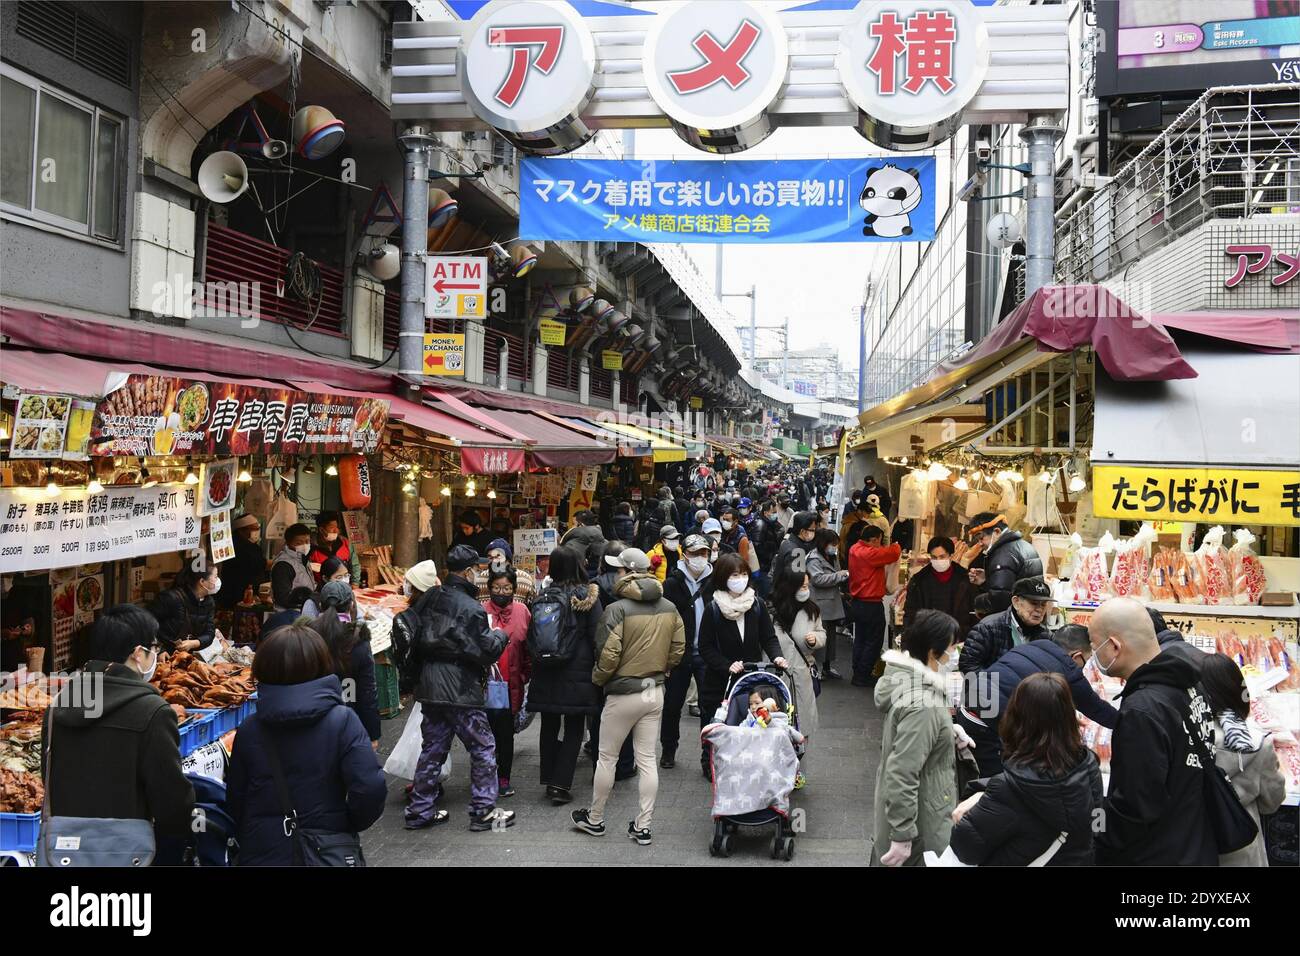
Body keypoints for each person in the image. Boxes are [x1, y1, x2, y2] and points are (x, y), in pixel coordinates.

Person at [226, 624, 386, 864]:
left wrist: (255, 836)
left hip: (263, 853)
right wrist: (345, 824)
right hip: (325, 850)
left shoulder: (251, 729)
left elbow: (236, 799)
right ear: (322, 663)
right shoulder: (342, 721)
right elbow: (370, 788)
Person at [43, 605, 196, 847]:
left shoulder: (60, 705)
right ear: (138, 653)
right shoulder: (153, 712)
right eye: (154, 648)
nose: (156, 654)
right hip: (126, 851)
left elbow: (49, 779)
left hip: (66, 850)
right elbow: (172, 801)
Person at [1089, 597, 1216, 865]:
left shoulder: (1142, 710)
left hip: (1157, 855)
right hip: (1194, 843)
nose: (1093, 655)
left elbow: (1135, 806)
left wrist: (1097, 833)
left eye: (1094, 645)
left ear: (1113, 646)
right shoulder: (1189, 684)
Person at [572, 548, 684, 845]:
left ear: (626, 572)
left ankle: (595, 819)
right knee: (647, 758)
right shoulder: (670, 607)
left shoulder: (617, 609)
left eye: (618, 569)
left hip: (623, 691)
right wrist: (664, 669)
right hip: (654, 690)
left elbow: (608, 655)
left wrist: (598, 679)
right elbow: (677, 649)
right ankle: (643, 825)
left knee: (606, 758)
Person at [402, 545, 513, 831]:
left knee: (433, 749)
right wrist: (501, 636)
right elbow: (485, 650)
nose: (478, 573)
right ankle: (483, 811)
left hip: (429, 684)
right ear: (467, 572)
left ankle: (420, 809)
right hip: (460, 687)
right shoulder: (471, 607)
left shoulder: (429, 598)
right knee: (482, 746)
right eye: (476, 569)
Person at [948, 672, 1104, 866]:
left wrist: (972, 807)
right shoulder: (1089, 766)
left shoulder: (1009, 790)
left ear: (1016, 718)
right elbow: (1098, 826)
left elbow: (965, 848)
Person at [959, 623, 1118, 776]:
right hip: (988, 725)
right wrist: (1125, 720)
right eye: (1087, 659)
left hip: (967, 708)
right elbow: (1096, 709)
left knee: (974, 774)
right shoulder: (1069, 670)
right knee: (991, 784)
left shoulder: (1035, 646)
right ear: (1076, 656)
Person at [872, 610, 959, 867]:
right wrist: (902, 835)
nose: (955, 653)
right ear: (933, 652)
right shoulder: (924, 703)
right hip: (923, 822)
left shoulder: (911, 684)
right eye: (953, 647)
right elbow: (902, 772)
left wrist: (947, 731)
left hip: (923, 811)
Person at [697, 553, 789, 778]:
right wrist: (726, 665)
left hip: (750, 678)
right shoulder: (714, 608)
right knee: (717, 722)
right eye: (735, 575)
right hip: (719, 680)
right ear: (723, 578)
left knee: (746, 722)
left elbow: (768, 637)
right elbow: (705, 647)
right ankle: (710, 762)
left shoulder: (756, 605)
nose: (740, 579)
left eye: (744, 574)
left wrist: (776, 657)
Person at [527, 546, 604, 805]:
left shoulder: (544, 595)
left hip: (546, 668)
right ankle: (560, 784)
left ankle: (549, 776)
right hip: (578, 670)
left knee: (549, 723)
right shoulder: (587, 595)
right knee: (574, 726)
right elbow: (598, 634)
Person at [1200, 653, 1286, 866]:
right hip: (1241, 847)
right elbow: (1271, 802)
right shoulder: (1258, 742)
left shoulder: (1185, 735)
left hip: (1193, 844)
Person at [660, 533, 714, 770]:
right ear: (685, 555)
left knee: (708, 707)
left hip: (707, 653)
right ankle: (668, 749)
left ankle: (707, 754)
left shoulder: (714, 581)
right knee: (672, 706)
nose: (700, 558)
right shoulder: (672, 583)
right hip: (679, 653)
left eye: (704, 553)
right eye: (695, 554)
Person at [769, 567, 824, 786]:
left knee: (803, 723)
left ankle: (796, 768)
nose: (806, 590)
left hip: (802, 674)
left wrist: (816, 640)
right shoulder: (772, 611)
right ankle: (776, 767)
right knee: (776, 720)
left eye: (807, 585)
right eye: (802, 586)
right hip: (777, 676)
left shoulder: (812, 611)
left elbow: (822, 634)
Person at [310, 580, 380, 748]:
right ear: (351, 605)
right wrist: (372, 734)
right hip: (349, 721)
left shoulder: (309, 636)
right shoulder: (358, 641)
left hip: (313, 720)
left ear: (320, 605)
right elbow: (367, 692)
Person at [483, 566, 532, 799]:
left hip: (513, 684)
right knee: (486, 734)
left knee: (505, 735)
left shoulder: (523, 611)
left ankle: (504, 777)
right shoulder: (481, 612)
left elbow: (528, 648)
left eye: (506, 588)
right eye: (496, 588)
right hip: (486, 685)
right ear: (489, 588)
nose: (501, 592)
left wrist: (524, 676)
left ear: (514, 589)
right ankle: (486, 776)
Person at [958, 575, 1053, 675]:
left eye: (1043, 604)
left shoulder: (1046, 636)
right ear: (1016, 602)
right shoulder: (988, 628)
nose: (1039, 609)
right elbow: (968, 667)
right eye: (1034, 603)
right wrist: (999, 686)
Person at [847, 525, 901, 687]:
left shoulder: (854, 549)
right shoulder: (870, 553)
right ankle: (862, 675)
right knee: (873, 641)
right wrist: (896, 544)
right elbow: (893, 553)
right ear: (875, 539)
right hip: (871, 604)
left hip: (857, 603)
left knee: (861, 640)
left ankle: (858, 671)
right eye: (880, 540)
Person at [966, 512, 1042, 613]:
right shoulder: (1025, 545)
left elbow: (1000, 600)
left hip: (1014, 618)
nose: (979, 543)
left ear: (997, 532)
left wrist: (976, 602)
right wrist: (987, 580)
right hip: (1029, 614)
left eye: (981, 538)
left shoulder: (1003, 554)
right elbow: (1011, 587)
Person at [903, 536, 975, 630]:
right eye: (934, 557)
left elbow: (973, 611)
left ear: (951, 555)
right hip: (929, 636)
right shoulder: (919, 581)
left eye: (942, 556)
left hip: (958, 635)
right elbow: (910, 613)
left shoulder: (964, 578)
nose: (938, 561)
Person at [151, 561, 221, 651]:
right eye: (215, 577)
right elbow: (148, 625)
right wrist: (160, 651)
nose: (217, 580)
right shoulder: (170, 598)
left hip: (185, 656)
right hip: (162, 655)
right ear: (202, 581)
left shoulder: (209, 602)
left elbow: (210, 632)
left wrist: (195, 643)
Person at [806, 528, 848, 680]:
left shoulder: (831, 557)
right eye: (832, 544)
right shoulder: (814, 558)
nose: (834, 547)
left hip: (831, 602)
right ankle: (816, 668)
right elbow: (817, 579)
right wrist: (839, 575)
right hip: (820, 603)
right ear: (823, 543)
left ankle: (827, 667)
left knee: (830, 637)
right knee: (819, 637)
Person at [390, 560, 439, 682]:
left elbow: (401, 657)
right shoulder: (440, 608)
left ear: (415, 587)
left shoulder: (405, 618)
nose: (404, 584)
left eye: (407, 582)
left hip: (417, 682)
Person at [218, 514, 267, 609]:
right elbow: (257, 564)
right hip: (236, 595)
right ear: (241, 530)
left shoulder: (252, 546)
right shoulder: (236, 546)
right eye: (254, 528)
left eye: (258, 528)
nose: (257, 531)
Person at [270, 523, 316, 611]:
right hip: (289, 615)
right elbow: (282, 598)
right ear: (288, 543)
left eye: (307, 541)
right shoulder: (283, 565)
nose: (305, 545)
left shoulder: (303, 560)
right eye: (299, 543)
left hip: (304, 612)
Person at [475, 538, 535, 604]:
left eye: (498, 556)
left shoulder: (525, 579)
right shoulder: (478, 580)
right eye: (490, 557)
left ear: (508, 559)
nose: (493, 561)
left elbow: (532, 606)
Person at [308, 511, 360, 585]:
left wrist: (355, 584)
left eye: (337, 527)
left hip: (345, 587)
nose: (336, 531)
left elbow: (355, 565)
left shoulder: (345, 543)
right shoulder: (311, 548)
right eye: (332, 528)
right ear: (321, 530)